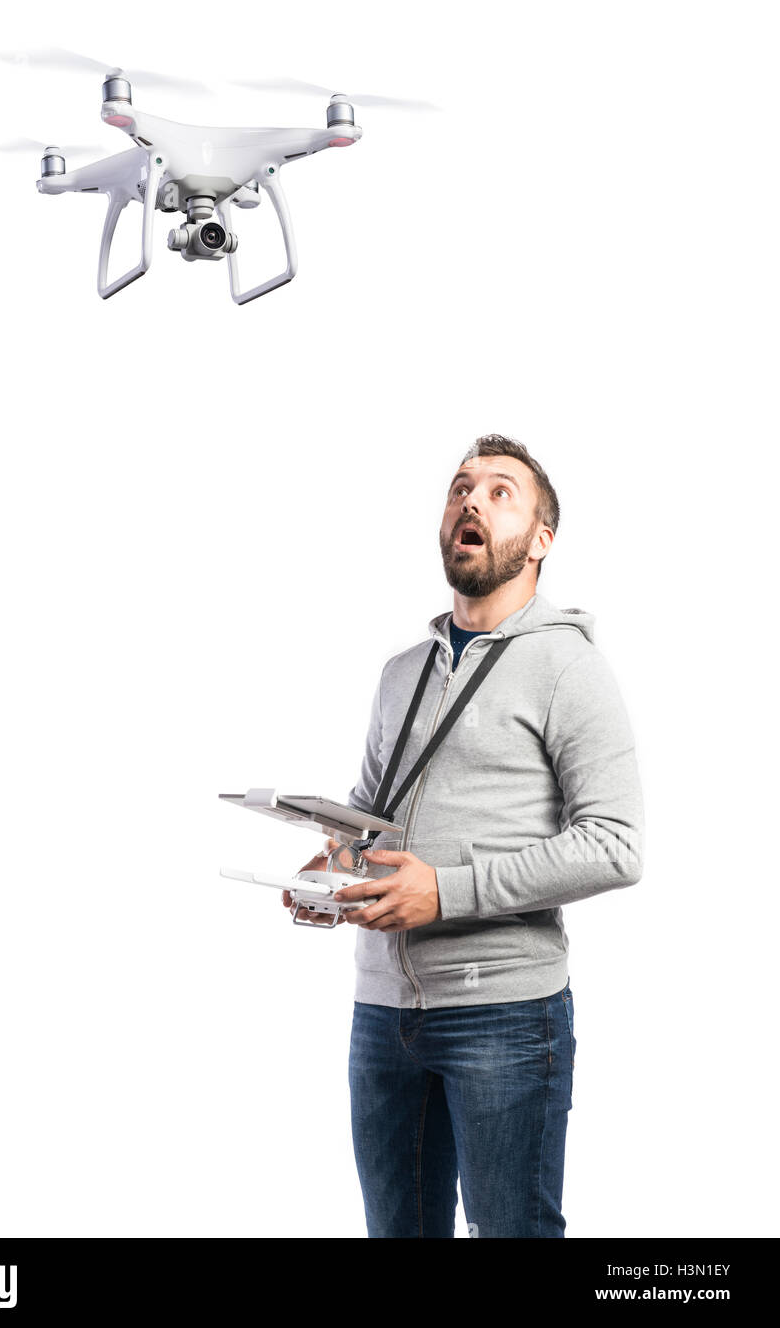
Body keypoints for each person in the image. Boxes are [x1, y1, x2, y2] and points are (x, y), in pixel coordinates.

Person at [282, 434, 643, 1238]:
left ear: (541, 540)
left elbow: (617, 843)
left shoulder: (568, 667)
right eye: (458, 488)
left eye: (499, 492)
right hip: (381, 1013)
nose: (470, 502)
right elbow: (371, 810)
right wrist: (332, 869)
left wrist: (443, 892)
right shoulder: (400, 670)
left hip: (505, 1015)